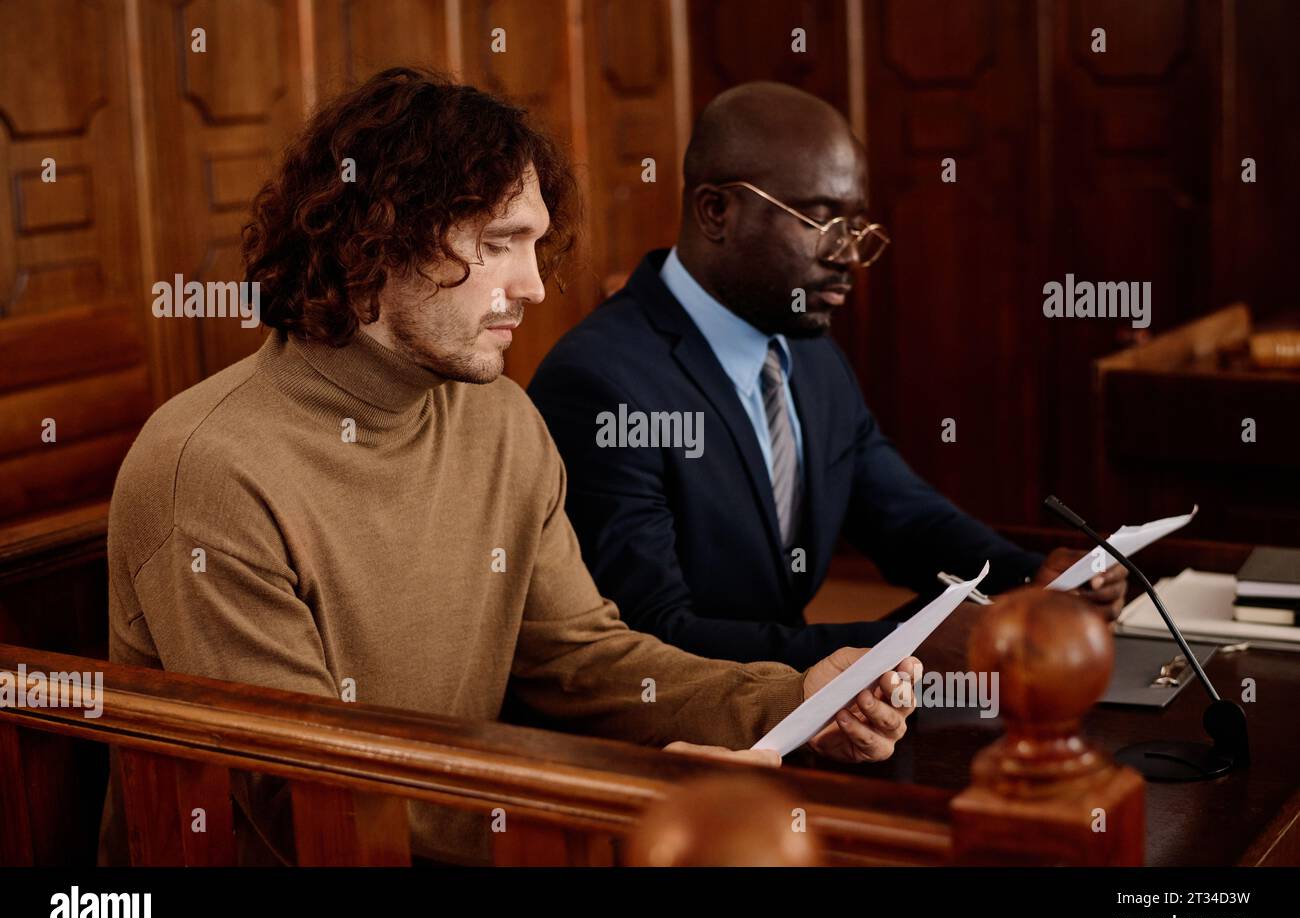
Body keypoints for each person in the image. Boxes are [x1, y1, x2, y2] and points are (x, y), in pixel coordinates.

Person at [100, 69, 919, 865]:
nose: (531, 285)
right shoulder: (208, 469)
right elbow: (314, 799)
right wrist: (615, 808)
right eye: (497, 245)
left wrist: (796, 698)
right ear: (372, 243)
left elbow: (583, 662)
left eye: (533, 244)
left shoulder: (500, 417)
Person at [529, 82, 1126, 671]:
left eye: (857, 226)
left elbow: (903, 518)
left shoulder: (806, 350)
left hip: (797, 706)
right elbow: (651, 642)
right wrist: (902, 645)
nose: (847, 254)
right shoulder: (601, 385)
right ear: (718, 212)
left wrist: (1034, 576)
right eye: (820, 221)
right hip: (682, 739)